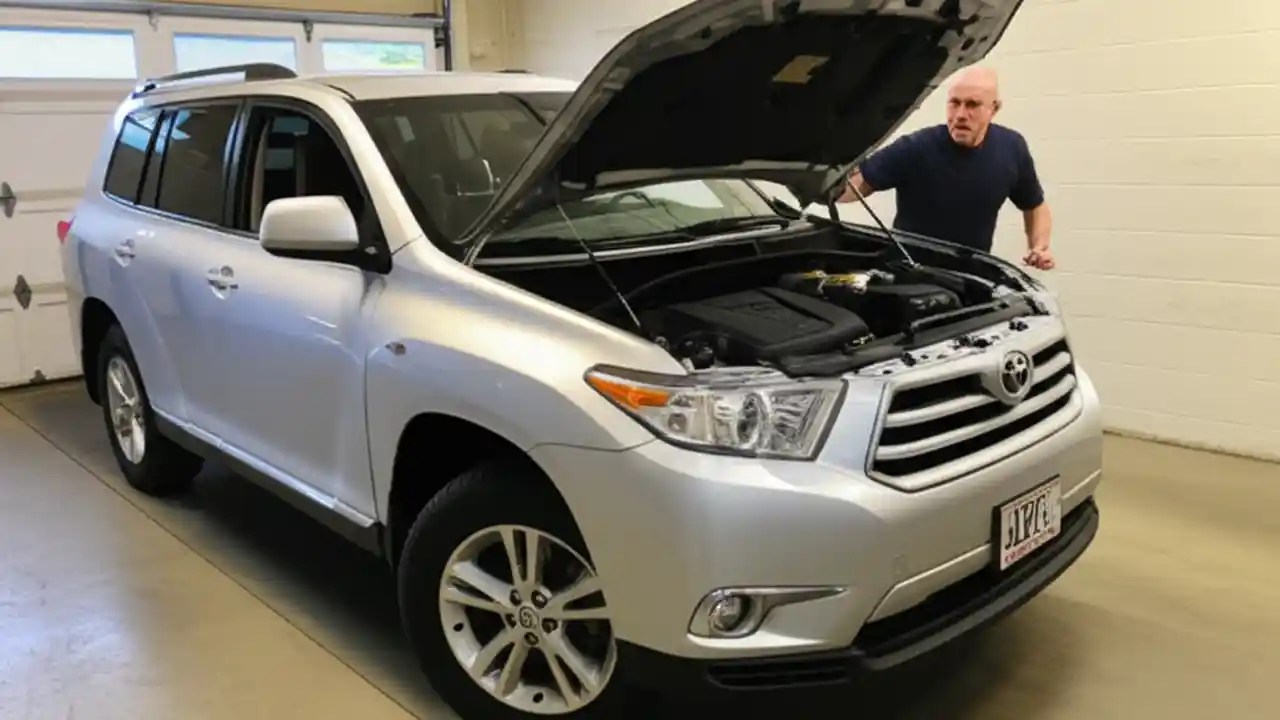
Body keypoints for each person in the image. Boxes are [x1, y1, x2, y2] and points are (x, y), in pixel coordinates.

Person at [837, 65, 1055, 270]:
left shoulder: (1012, 148)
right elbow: (859, 183)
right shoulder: (916, 147)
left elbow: (1035, 205)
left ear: (994, 109)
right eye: (954, 103)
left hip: (971, 279)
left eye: (972, 105)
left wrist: (1038, 246)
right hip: (910, 274)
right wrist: (820, 184)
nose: (960, 114)